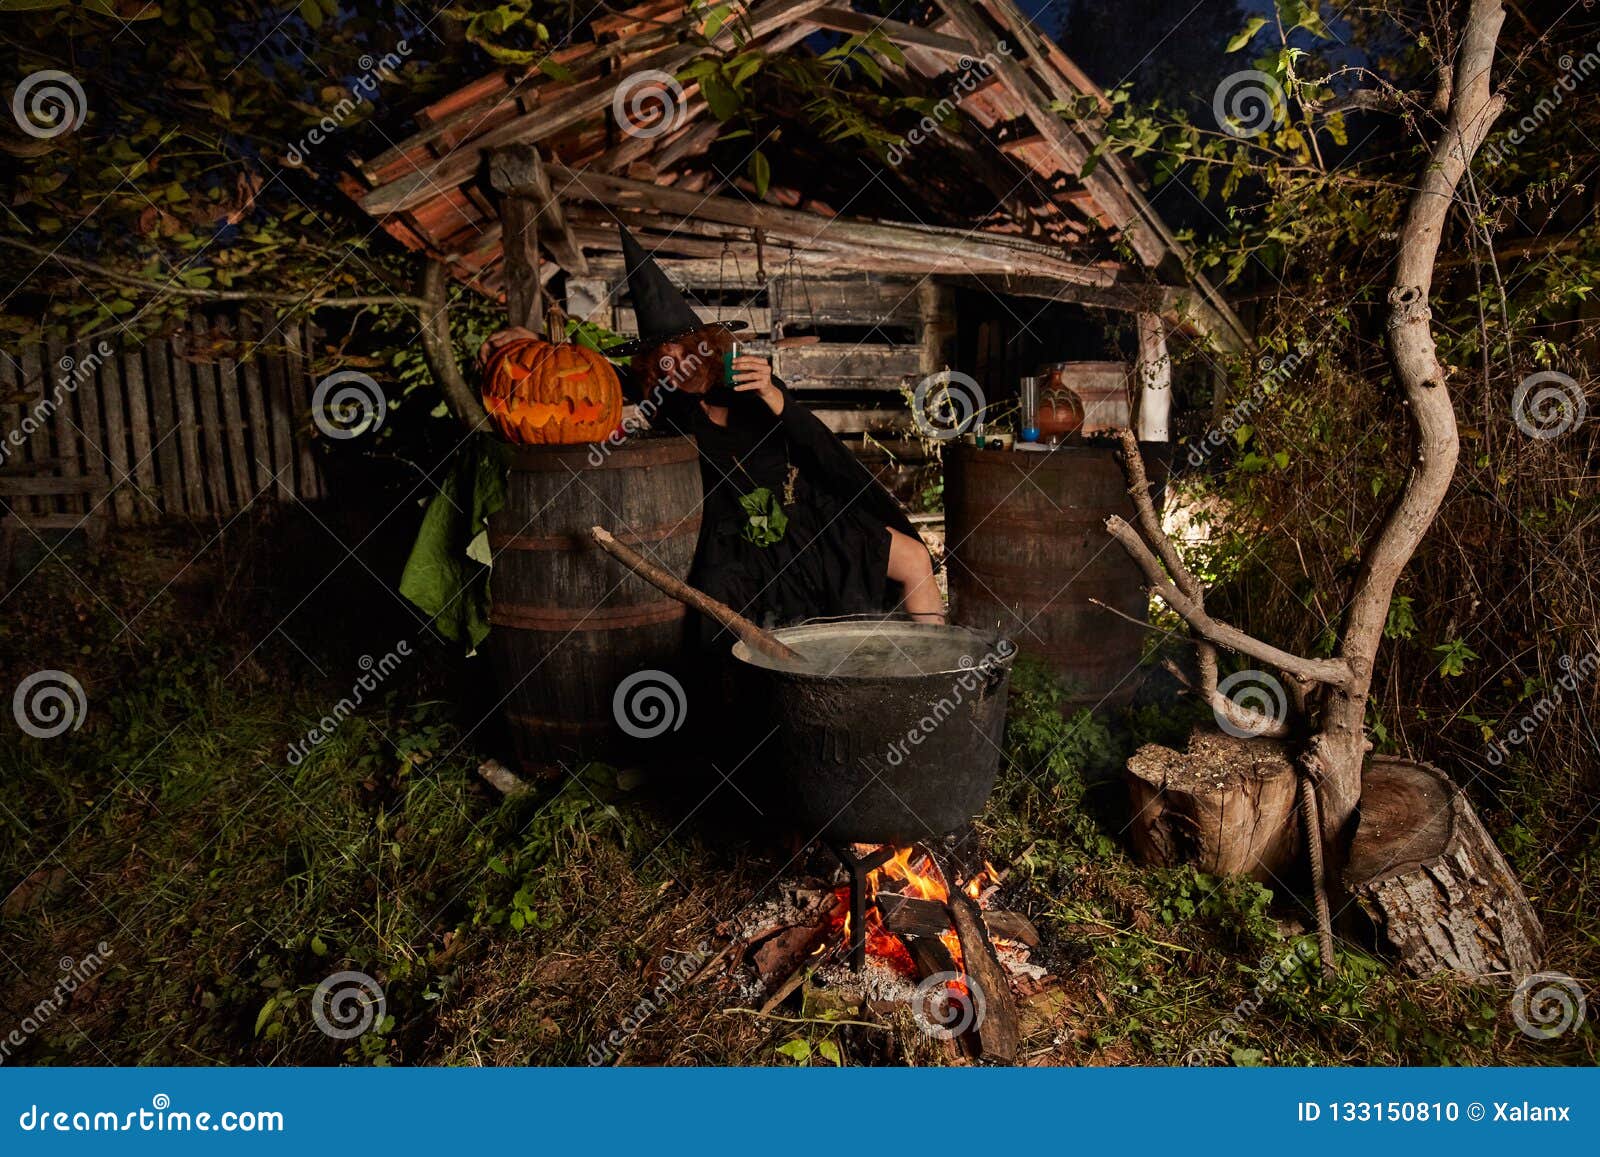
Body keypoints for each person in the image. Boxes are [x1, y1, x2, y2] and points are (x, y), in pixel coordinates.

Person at [612, 226, 942, 648]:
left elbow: (814, 442)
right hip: (740, 541)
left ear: (703, 346)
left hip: (807, 515)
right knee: (733, 618)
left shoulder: (753, 385)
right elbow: (591, 382)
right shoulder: (669, 413)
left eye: (682, 353)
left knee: (915, 558)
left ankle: (938, 665)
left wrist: (772, 393)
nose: (674, 368)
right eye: (662, 364)